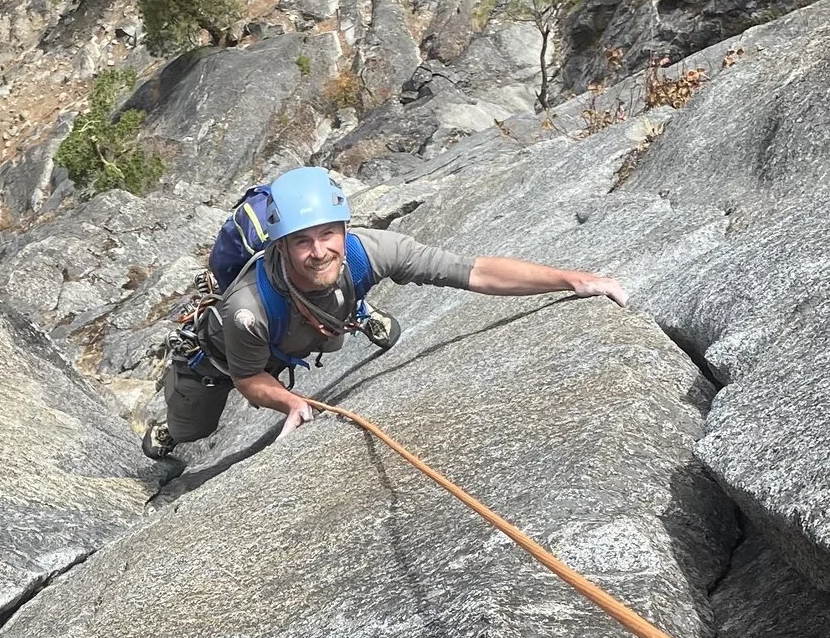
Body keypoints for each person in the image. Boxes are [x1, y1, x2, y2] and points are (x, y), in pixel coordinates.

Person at [142, 166, 630, 459]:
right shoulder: (246, 307)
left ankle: (350, 308)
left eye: (328, 234)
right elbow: (249, 378)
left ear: (345, 228)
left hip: (301, 325)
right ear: (282, 245)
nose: (319, 251)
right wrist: (289, 401)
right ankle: (168, 431)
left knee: (328, 322)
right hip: (222, 359)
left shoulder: (368, 250)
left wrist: (571, 279)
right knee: (193, 429)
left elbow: (472, 271)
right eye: (302, 241)